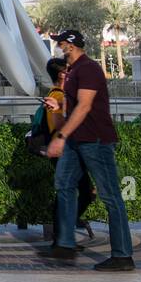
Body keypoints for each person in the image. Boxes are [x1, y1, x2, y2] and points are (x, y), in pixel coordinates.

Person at [44, 30, 133, 270]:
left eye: (61, 43)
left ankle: (123, 255)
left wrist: (60, 137)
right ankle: (65, 244)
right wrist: (57, 106)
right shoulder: (72, 72)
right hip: (76, 140)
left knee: (110, 195)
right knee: (63, 184)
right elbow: (72, 108)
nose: (59, 47)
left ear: (71, 46)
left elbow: (84, 107)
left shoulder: (89, 69)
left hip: (95, 140)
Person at [40, 57, 95, 246]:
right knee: (80, 192)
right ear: (62, 74)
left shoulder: (60, 95)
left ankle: (63, 232)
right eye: (69, 70)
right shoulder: (57, 97)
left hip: (66, 150)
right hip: (64, 150)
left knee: (75, 192)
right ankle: (62, 233)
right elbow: (59, 126)